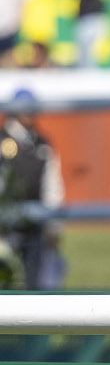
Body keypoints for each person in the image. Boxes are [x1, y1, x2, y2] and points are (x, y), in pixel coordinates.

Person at [0, 88, 66, 289]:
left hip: (34, 223)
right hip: (5, 223)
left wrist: (53, 224)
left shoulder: (42, 143)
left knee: (35, 285)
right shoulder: (2, 139)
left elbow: (52, 184)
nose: (28, 112)